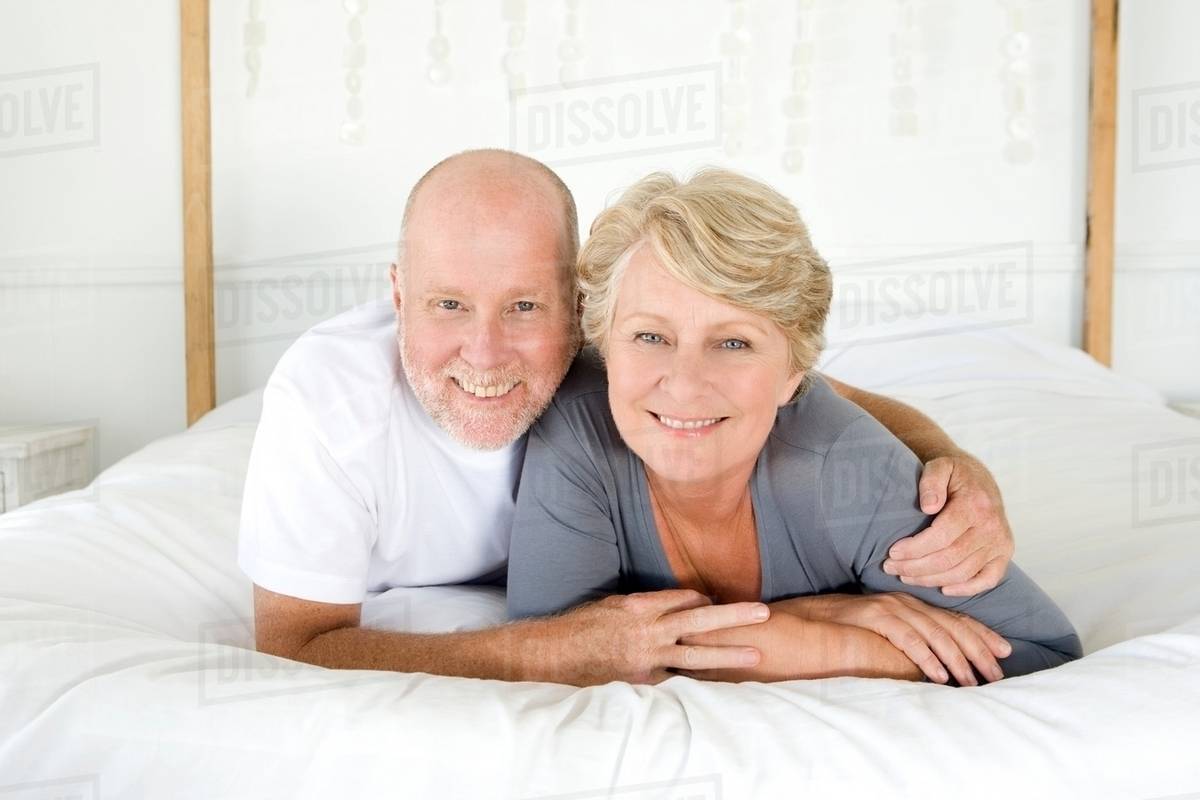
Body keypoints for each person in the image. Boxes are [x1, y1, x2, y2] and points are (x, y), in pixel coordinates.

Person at [240, 149, 1019, 686]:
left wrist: (950, 462)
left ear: (577, 310)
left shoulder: (617, 347)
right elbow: (293, 645)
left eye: (523, 305)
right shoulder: (326, 404)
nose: (485, 353)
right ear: (399, 296)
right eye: (448, 304)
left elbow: (798, 386)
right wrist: (548, 654)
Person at [506, 168, 1081, 685]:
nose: (684, 384)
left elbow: (1044, 651)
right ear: (604, 345)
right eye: (650, 337)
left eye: (733, 342)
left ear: (794, 373)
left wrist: (823, 645)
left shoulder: (847, 469)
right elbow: (554, 652)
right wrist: (818, 619)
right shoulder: (576, 429)